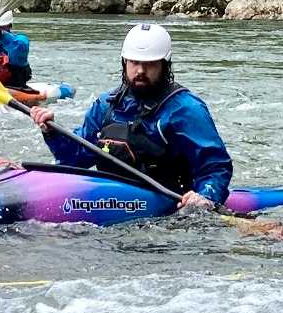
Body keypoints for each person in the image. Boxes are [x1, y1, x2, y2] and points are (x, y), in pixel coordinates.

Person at [35, 22, 232, 210]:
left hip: (170, 210)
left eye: (150, 64)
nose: (140, 71)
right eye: (134, 62)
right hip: (113, 204)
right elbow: (75, 159)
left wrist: (206, 196)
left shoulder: (185, 109)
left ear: (165, 65)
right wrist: (52, 131)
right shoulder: (107, 105)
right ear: (124, 62)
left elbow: (215, 166)